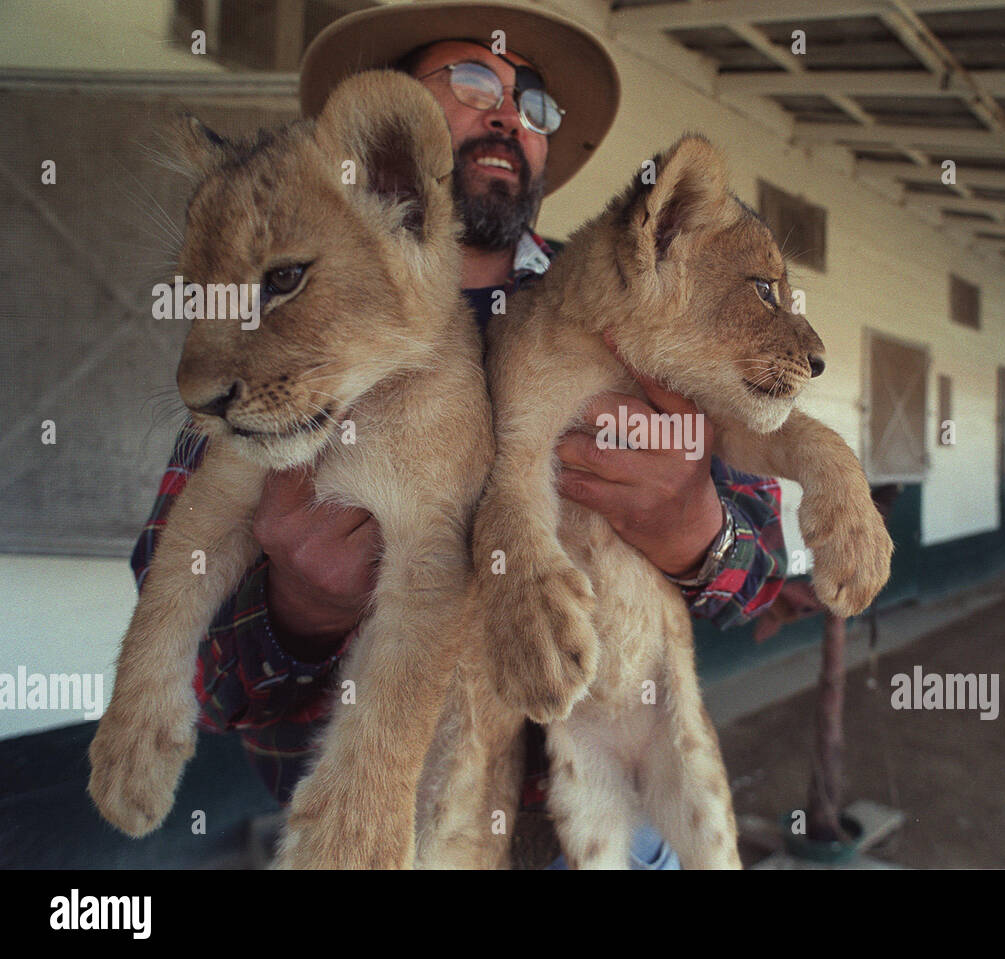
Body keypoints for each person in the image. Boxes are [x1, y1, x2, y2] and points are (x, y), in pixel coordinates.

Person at [131, 0, 787, 868]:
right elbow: (198, 670)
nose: (508, 113)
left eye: (535, 102)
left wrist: (696, 526)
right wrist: (302, 606)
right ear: (389, 145)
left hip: (611, 815)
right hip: (376, 831)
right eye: (472, 78)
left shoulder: (618, 310)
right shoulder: (285, 347)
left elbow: (761, 567)